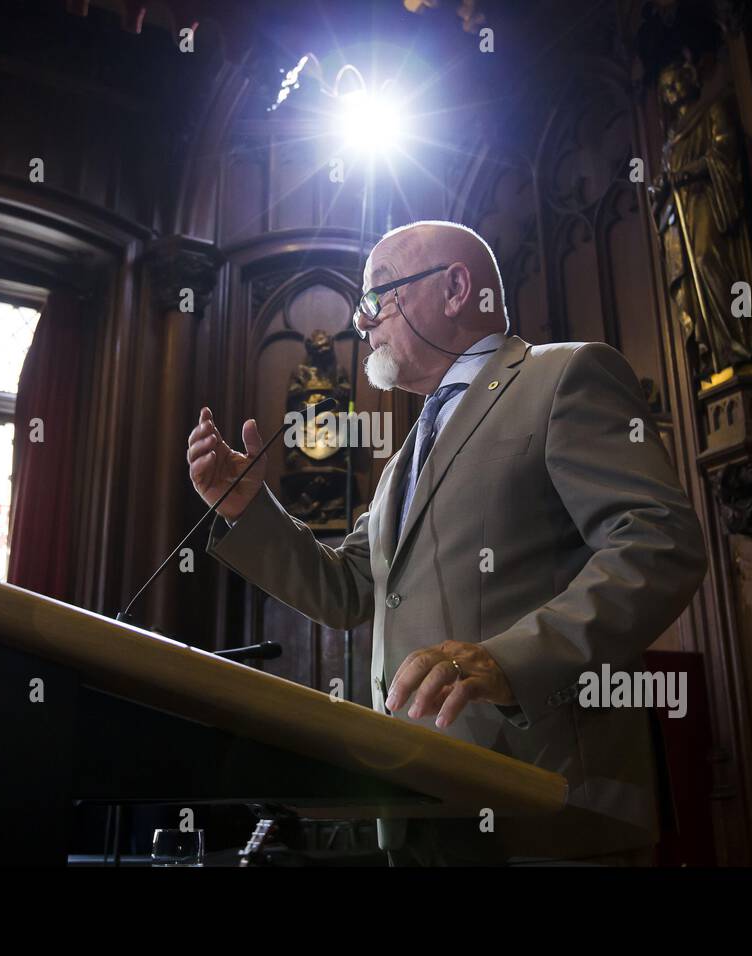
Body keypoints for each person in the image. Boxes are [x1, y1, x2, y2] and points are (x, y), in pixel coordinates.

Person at [187, 220, 707, 865]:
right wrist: (247, 508)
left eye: (377, 299)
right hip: (421, 803)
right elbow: (348, 591)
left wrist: (511, 661)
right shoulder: (408, 452)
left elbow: (659, 542)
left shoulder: (565, 376)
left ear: (456, 287)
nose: (362, 323)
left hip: (543, 798)